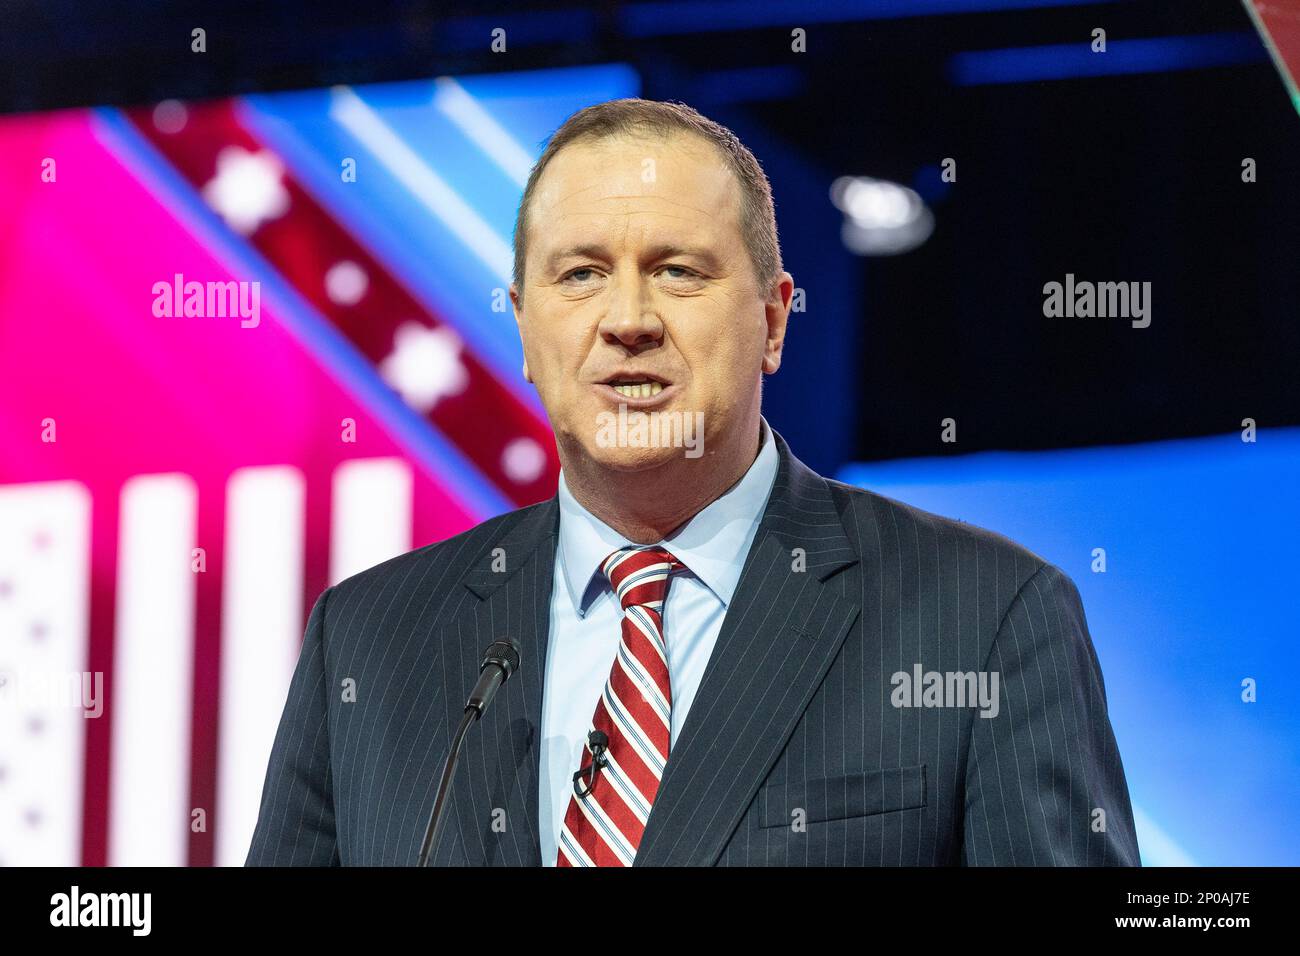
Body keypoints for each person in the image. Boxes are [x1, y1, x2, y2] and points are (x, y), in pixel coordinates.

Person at [246, 97, 1140, 867]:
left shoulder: (982, 617)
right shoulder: (367, 643)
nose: (627, 320)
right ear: (523, 328)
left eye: (678, 272)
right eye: (581, 274)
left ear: (774, 320)